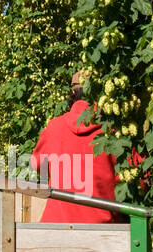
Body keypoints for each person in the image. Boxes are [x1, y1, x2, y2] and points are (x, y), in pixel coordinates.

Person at [30, 71, 123, 223]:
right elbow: (134, 178)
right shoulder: (112, 131)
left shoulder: (54, 126)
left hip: (55, 227)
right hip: (102, 228)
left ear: (73, 93)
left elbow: (37, 164)